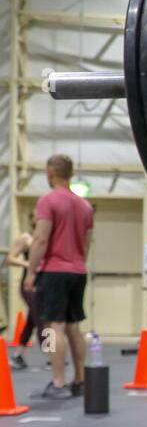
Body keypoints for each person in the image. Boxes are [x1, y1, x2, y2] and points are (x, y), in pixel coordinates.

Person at [22, 155, 93, 400]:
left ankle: (58, 382)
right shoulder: (85, 206)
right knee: (74, 327)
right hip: (77, 271)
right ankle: (81, 380)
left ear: (51, 172)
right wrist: (78, 263)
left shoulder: (48, 201)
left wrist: (31, 272)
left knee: (55, 327)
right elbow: (86, 244)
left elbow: (41, 239)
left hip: (54, 271)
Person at [4, 212, 40, 370]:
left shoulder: (48, 239)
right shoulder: (26, 238)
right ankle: (52, 354)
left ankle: (18, 355)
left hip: (44, 286)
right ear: (32, 219)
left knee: (32, 320)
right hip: (28, 285)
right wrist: (28, 264)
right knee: (44, 319)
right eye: (37, 216)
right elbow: (10, 258)